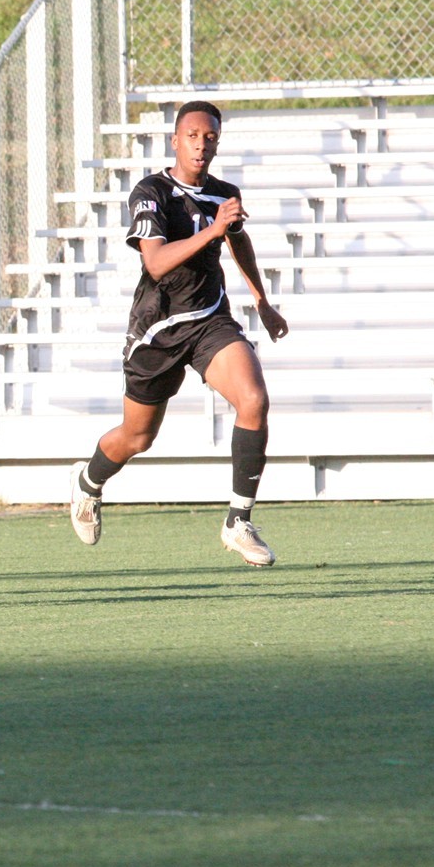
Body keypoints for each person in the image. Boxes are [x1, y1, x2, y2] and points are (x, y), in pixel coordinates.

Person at [68, 100, 288, 566]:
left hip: (210, 320)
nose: (201, 145)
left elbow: (238, 241)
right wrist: (213, 230)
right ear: (175, 140)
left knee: (254, 400)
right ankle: (88, 482)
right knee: (137, 437)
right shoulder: (152, 192)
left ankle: (239, 521)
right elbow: (156, 262)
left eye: (210, 137)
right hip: (159, 328)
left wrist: (262, 301)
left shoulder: (224, 194)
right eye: (192, 136)